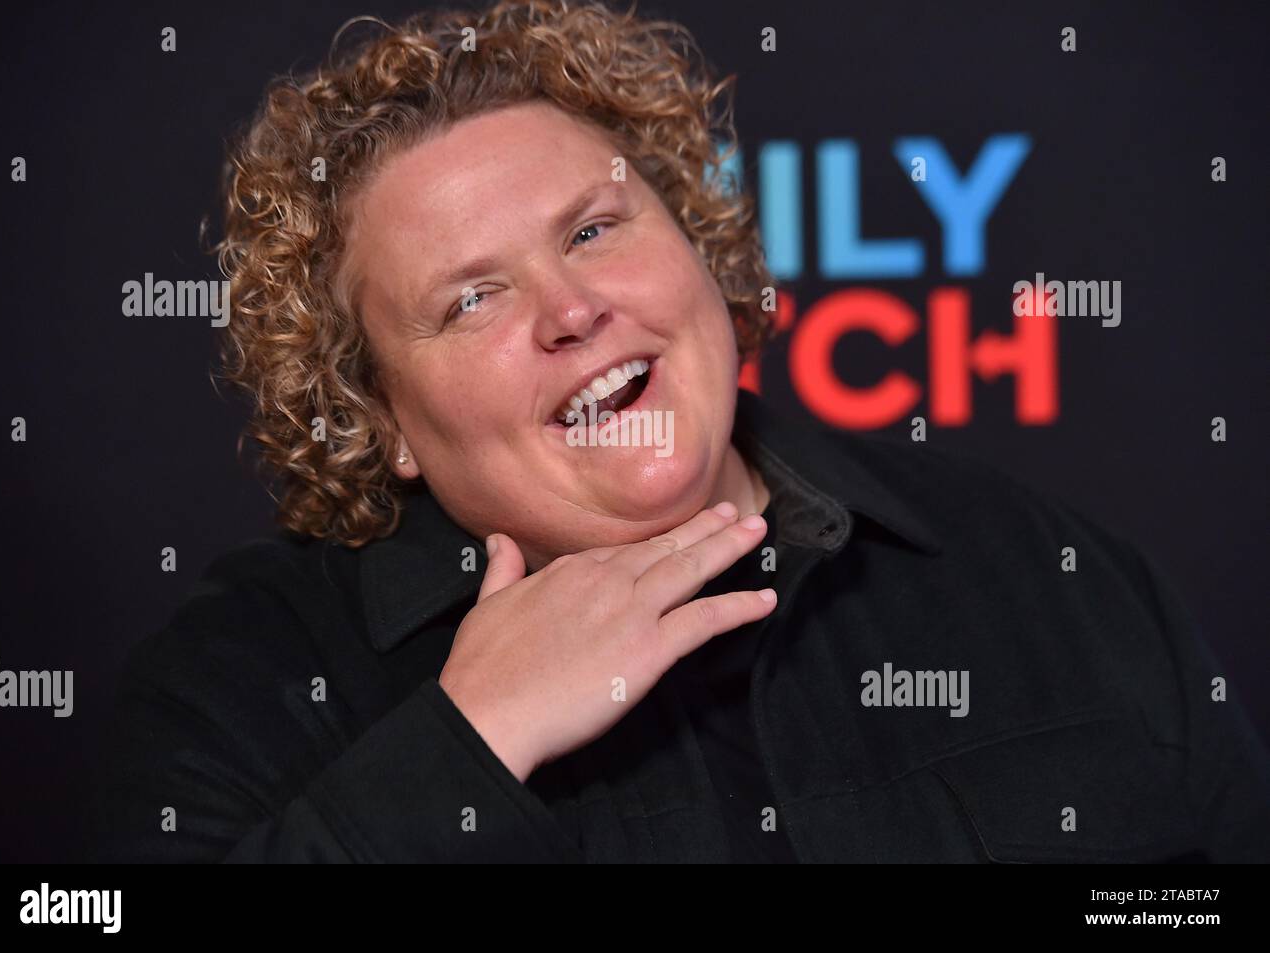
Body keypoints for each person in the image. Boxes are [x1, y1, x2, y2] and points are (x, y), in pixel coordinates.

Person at [90, 0, 1270, 863]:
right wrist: (470, 739)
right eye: (471, 298)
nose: (571, 310)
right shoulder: (241, 682)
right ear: (380, 418)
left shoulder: (1042, 572)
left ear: (701, 252)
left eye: (594, 230)